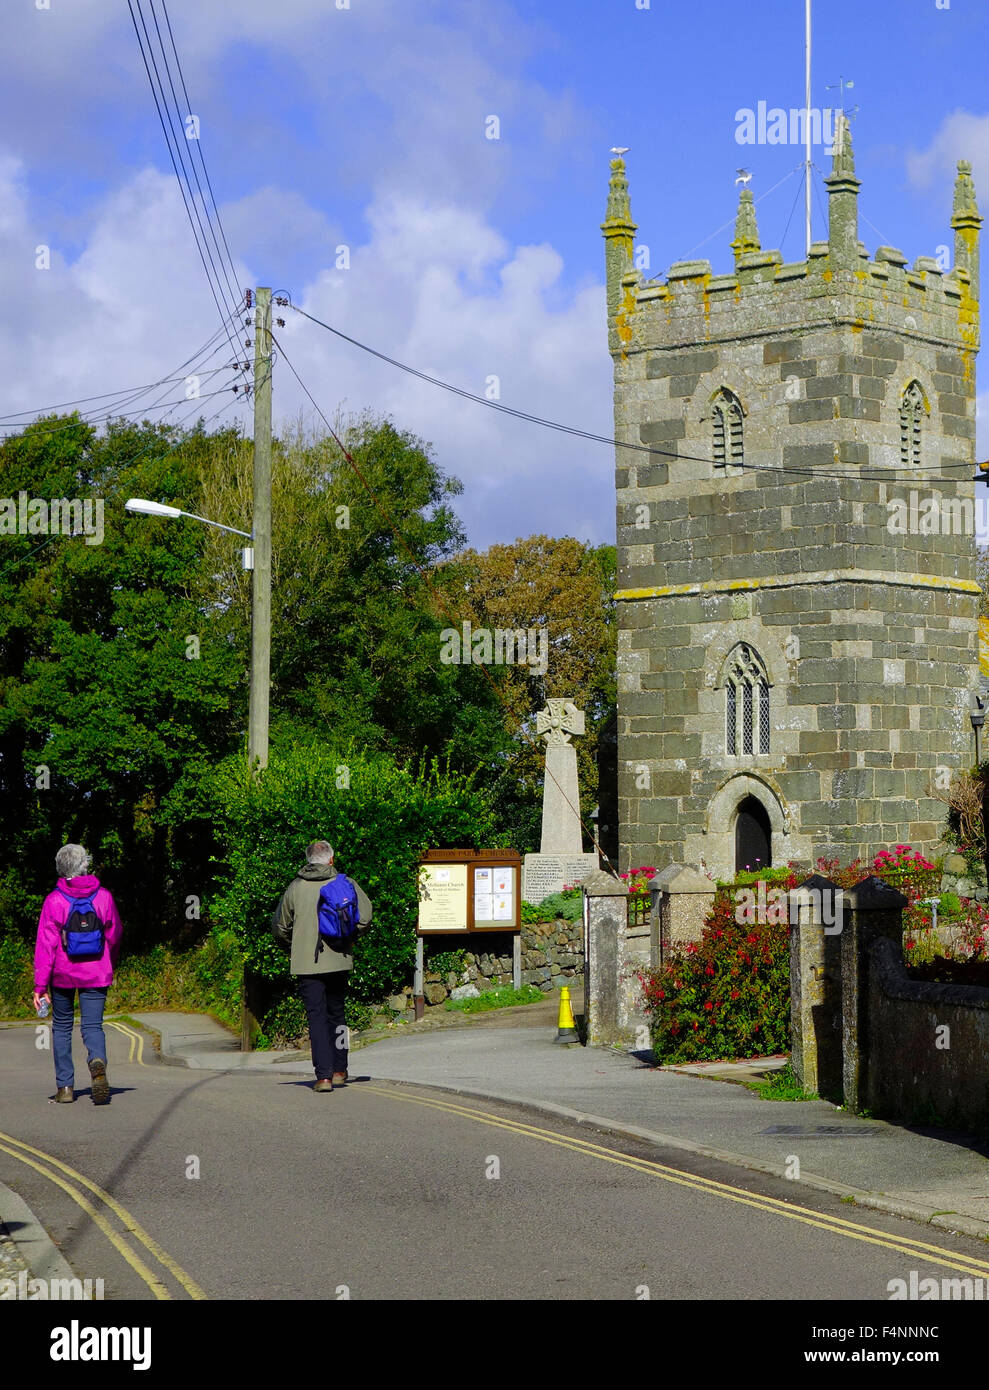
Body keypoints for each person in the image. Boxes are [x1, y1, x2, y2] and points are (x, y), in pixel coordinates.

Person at [271, 840, 372, 1092]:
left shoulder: (295, 888)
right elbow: (366, 915)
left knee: (316, 1018)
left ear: (308, 861)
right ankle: (340, 1070)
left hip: (306, 964)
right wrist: (349, 938)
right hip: (338, 960)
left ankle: (323, 1077)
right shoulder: (345, 884)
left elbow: (280, 927)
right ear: (331, 860)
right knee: (337, 1016)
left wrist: (294, 947)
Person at [33, 844, 122, 1105]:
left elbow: (45, 945)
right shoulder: (104, 897)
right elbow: (114, 935)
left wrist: (40, 985)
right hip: (96, 971)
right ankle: (97, 1061)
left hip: (62, 974)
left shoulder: (54, 900)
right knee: (93, 1025)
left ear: (61, 868)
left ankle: (65, 1088)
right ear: (85, 865)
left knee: (61, 1026)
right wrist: (109, 962)